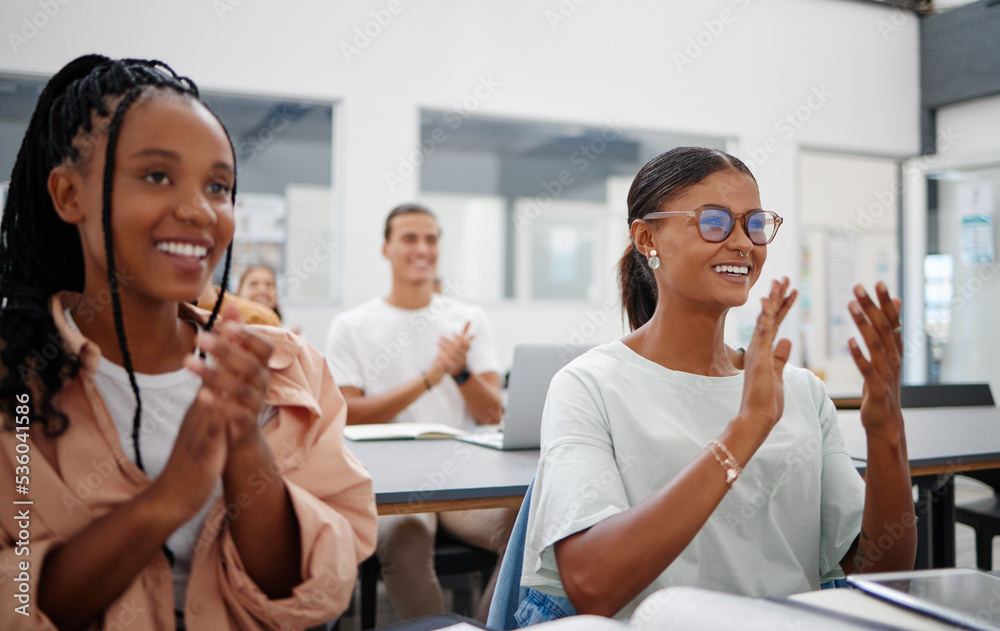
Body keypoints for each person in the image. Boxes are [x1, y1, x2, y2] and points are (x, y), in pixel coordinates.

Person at [0, 55, 377, 630]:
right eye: (157, 176)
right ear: (69, 194)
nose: (198, 210)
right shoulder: (16, 387)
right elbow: (16, 601)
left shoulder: (282, 370)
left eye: (218, 186)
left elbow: (307, 595)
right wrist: (165, 501)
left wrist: (246, 449)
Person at [520, 147, 916, 620]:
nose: (743, 242)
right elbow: (592, 586)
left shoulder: (801, 391)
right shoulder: (589, 386)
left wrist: (887, 431)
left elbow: (877, 572)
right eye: (713, 222)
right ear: (647, 237)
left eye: (753, 224)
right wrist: (745, 431)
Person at [325, 203, 515, 621]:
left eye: (431, 239)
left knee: (526, 525)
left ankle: (482, 627)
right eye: (409, 238)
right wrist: (430, 378)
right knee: (403, 536)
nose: (422, 249)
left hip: (464, 481)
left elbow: (491, 416)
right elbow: (349, 414)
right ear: (386, 249)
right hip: (394, 487)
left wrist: (461, 371)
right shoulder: (352, 326)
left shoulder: (467, 319)